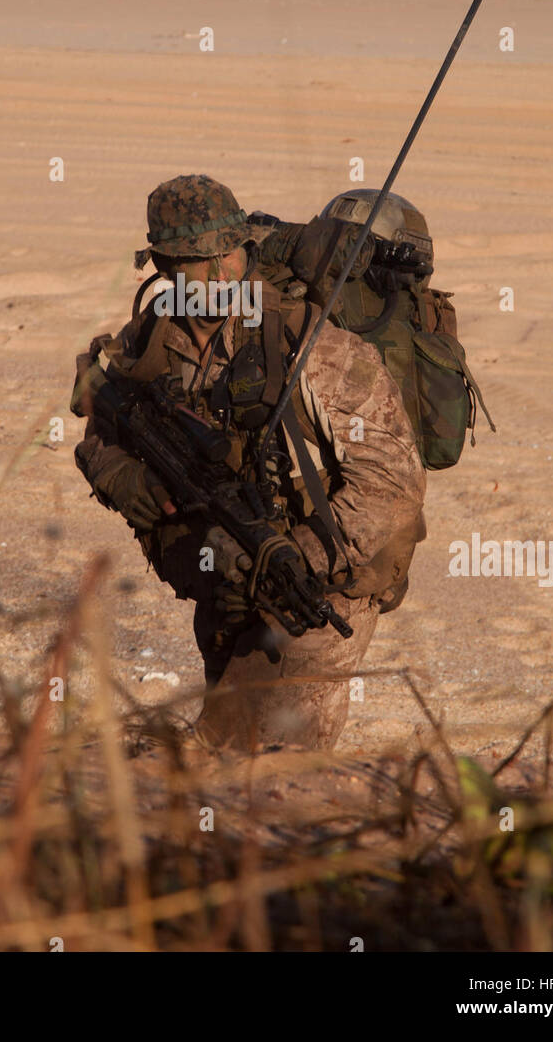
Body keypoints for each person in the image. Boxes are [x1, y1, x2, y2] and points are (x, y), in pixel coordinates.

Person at [71, 174, 426, 753]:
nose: (220, 274)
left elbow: (393, 482)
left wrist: (295, 559)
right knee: (225, 756)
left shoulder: (305, 342)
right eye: (198, 261)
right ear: (163, 263)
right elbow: (99, 425)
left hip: (322, 587)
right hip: (225, 587)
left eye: (230, 253)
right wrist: (119, 476)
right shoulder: (152, 340)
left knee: (275, 767)